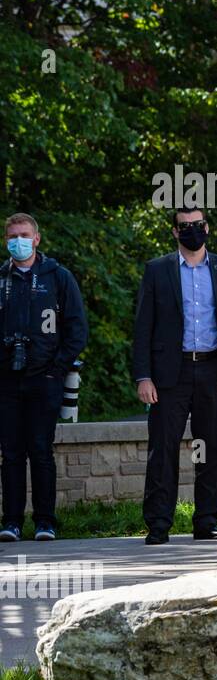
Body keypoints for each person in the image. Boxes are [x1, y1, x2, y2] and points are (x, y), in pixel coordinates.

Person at [132, 207, 217, 545]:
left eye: (198, 224)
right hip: (168, 375)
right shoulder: (157, 270)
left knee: (210, 449)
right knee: (162, 449)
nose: (193, 230)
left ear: (207, 227)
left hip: (213, 371)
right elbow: (142, 328)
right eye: (185, 226)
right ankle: (159, 524)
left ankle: (206, 521)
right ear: (176, 232)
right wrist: (143, 376)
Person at [0, 214, 87, 542]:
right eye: (12, 235)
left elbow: (77, 328)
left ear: (36, 239)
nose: (17, 241)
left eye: (23, 234)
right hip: (7, 380)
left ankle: (45, 522)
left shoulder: (58, 277)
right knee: (10, 452)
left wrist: (57, 368)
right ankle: (10, 522)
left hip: (45, 377)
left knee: (40, 448)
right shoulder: (1, 279)